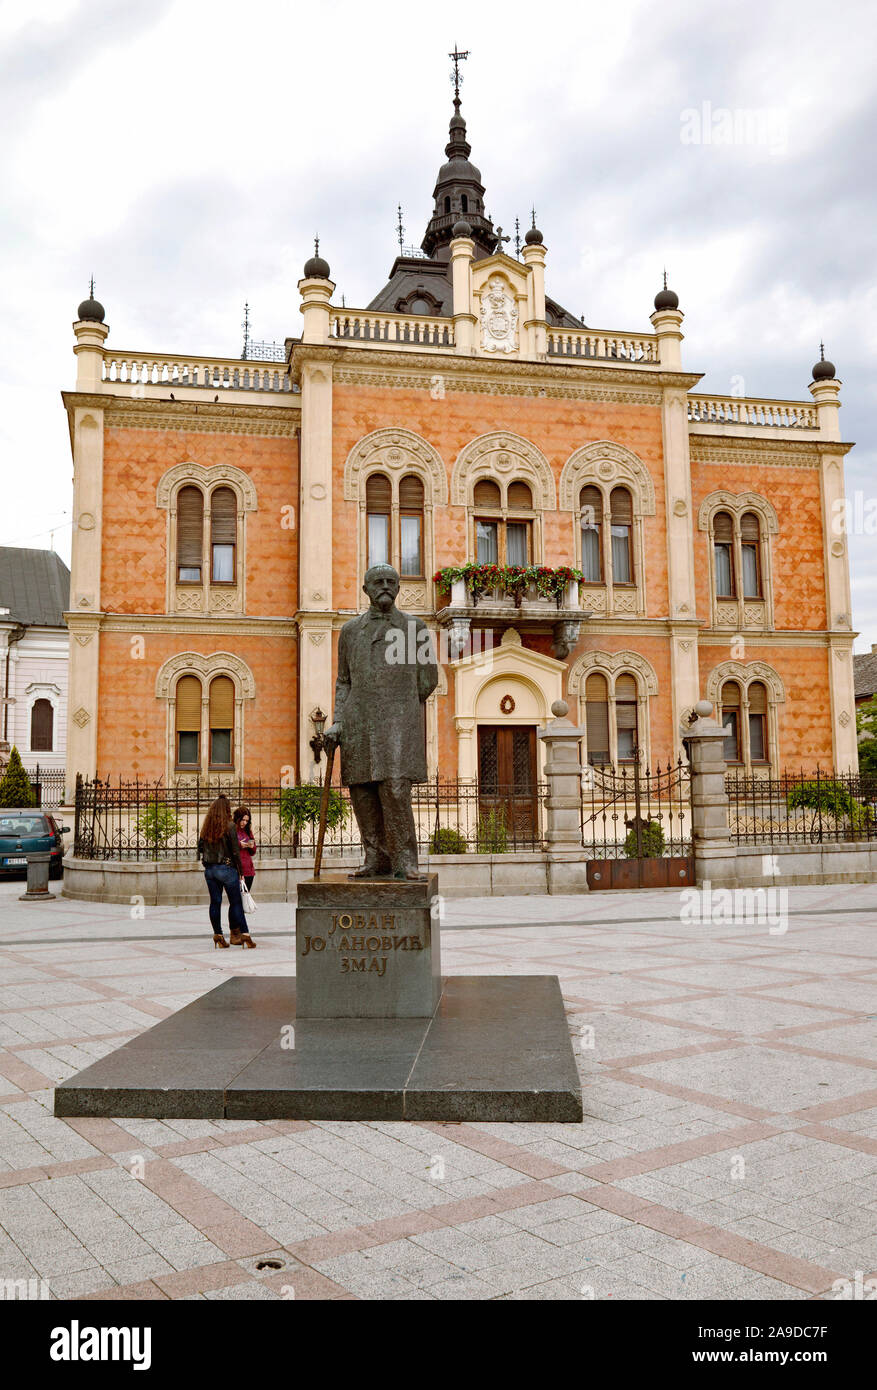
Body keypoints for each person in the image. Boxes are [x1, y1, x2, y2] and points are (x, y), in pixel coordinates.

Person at [323, 564, 438, 879]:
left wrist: (397, 705)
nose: (385, 586)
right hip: (358, 724)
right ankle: (377, 858)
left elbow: (428, 680)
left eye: (391, 581)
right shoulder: (349, 632)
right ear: (366, 590)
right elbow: (343, 681)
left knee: (395, 791)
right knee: (363, 794)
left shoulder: (416, 628)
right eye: (378, 582)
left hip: (398, 725)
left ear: (399, 588)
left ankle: (405, 862)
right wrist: (339, 721)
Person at [197, 794, 256, 949]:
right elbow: (235, 851)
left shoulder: (206, 827)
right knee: (235, 902)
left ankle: (218, 935)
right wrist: (240, 871)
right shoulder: (229, 826)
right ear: (226, 809)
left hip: (210, 870)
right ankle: (245, 934)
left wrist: (206, 864)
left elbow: (200, 848)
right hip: (227, 868)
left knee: (215, 902)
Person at [233, 805, 257, 892]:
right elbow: (228, 847)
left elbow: (253, 852)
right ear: (237, 818)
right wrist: (240, 844)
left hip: (249, 870)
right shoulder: (232, 830)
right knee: (237, 901)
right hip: (236, 870)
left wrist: (251, 846)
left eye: (247, 820)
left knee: (246, 898)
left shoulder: (248, 831)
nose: (245, 823)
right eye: (243, 820)